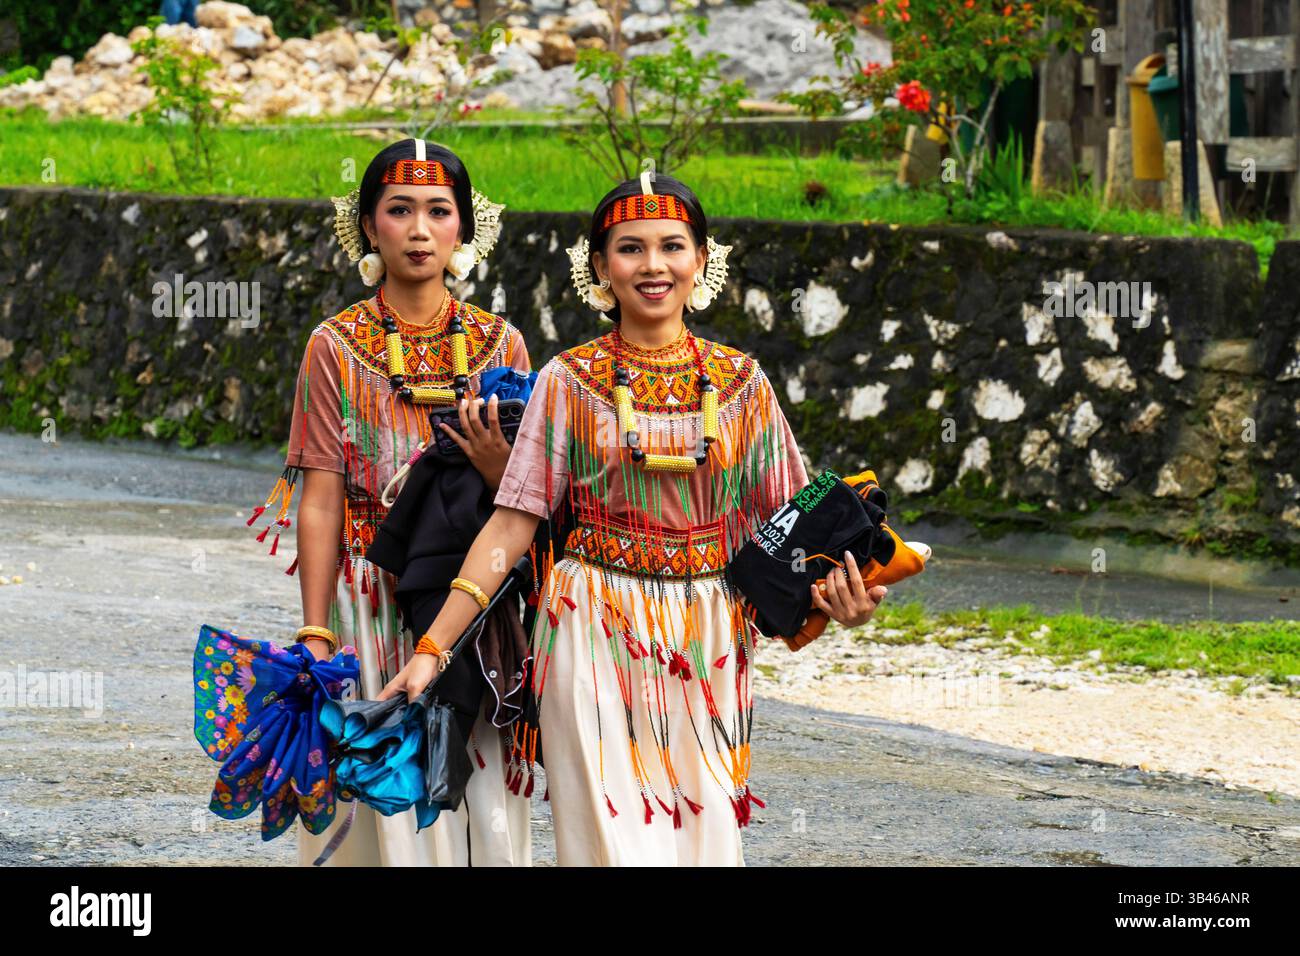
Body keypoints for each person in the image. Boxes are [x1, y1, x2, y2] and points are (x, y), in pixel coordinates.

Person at [378, 172, 884, 865]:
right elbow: (510, 526)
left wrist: (840, 602)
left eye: (673, 246)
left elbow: (798, 529)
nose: (653, 266)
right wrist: (432, 651)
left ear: (703, 259)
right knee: (608, 845)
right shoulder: (567, 380)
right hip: (589, 628)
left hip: (707, 635)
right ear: (598, 266)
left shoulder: (742, 385)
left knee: (703, 845)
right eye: (630, 248)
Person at [246, 138, 532, 866]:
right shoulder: (334, 346)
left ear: (464, 230)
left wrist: (501, 468)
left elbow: (527, 501)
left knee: (476, 798)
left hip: (471, 596)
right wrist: (316, 630)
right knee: (378, 804)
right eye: (398, 210)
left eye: (439, 211)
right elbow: (320, 499)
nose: (418, 228)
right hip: (368, 599)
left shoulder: (503, 345)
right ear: (368, 226)